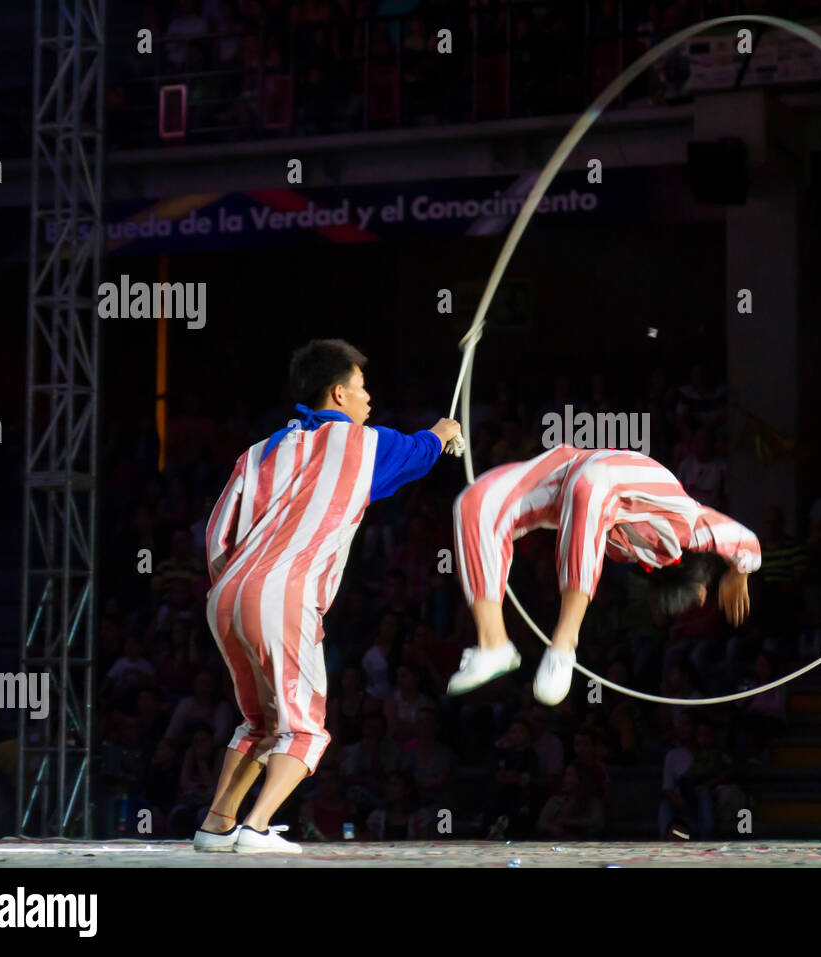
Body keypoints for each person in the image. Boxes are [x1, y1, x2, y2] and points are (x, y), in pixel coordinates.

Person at [194, 339, 460, 853]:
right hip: (283, 594)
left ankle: (217, 824)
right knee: (304, 726)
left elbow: (216, 535)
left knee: (260, 721)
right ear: (338, 393)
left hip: (226, 595)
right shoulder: (361, 444)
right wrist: (445, 431)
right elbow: (420, 452)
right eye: (361, 390)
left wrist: (238, 586)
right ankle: (255, 828)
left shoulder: (259, 451)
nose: (368, 399)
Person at [445, 444, 761, 705]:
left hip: (577, 489)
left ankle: (557, 645)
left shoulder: (623, 553)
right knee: (474, 505)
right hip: (581, 470)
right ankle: (498, 642)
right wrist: (739, 572)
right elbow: (745, 540)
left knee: (482, 506)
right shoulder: (688, 525)